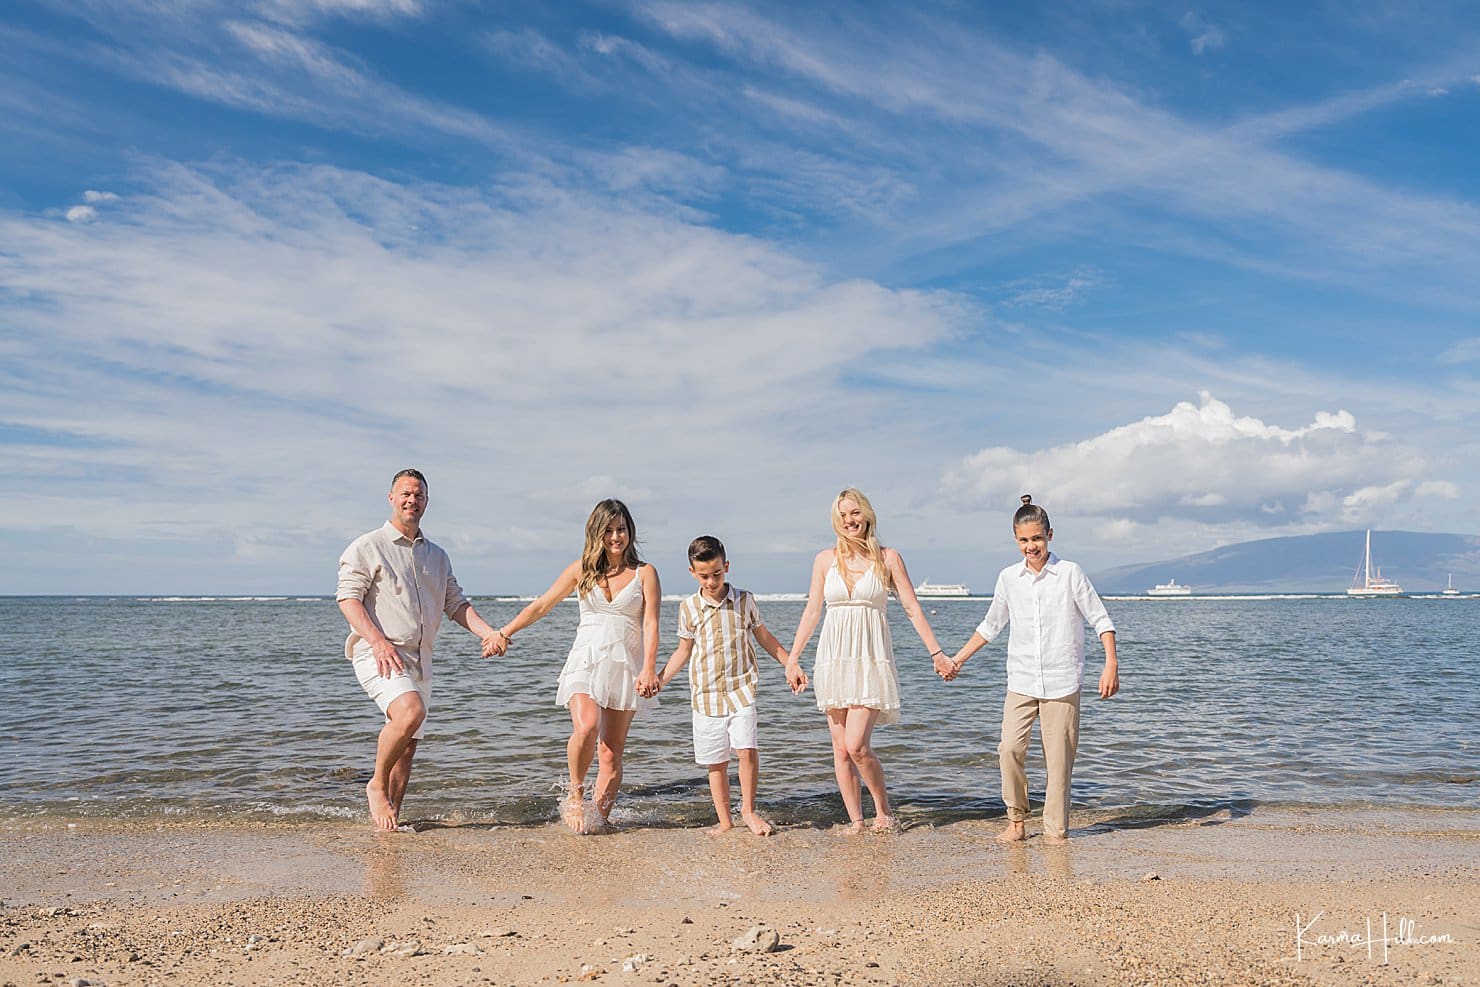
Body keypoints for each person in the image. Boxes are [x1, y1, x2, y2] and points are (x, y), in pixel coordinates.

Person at [943, 494, 1120, 845]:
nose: (1031, 546)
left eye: (1037, 538)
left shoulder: (1070, 573)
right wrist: (957, 660)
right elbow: (990, 626)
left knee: (1058, 765)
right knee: (1008, 749)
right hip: (1021, 680)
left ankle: (1056, 832)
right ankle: (1016, 821)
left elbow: (1101, 619)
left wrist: (1110, 663)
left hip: (1062, 680)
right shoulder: (1009, 578)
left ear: (1050, 535)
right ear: (1015, 540)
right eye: (1024, 540)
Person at [337, 468, 502, 831]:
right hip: (378, 652)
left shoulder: (438, 556)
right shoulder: (367, 546)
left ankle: (392, 818)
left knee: (408, 743)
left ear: (426, 501)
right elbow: (348, 599)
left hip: (420, 659)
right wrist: (377, 642)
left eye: (419, 495)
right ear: (392, 498)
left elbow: (456, 604)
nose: (412, 500)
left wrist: (488, 633)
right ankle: (376, 785)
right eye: (406, 494)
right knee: (409, 712)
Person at [786, 488, 955, 833]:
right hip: (833, 659)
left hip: (869, 659)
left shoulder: (888, 558)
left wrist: (936, 653)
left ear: (867, 515)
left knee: (857, 744)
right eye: (843, 515)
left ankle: (883, 810)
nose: (850, 521)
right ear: (836, 520)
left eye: (855, 513)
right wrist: (793, 659)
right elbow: (813, 611)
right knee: (840, 749)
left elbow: (912, 607)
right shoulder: (823, 560)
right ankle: (857, 822)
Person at [492, 499, 661, 833]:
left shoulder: (646, 573)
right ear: (596, 533)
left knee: (611, 754)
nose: (616, 537)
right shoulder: (581, 570)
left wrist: (650, 668)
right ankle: (575, 794)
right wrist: (504, 632)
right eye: (609, 530)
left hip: (626, 666)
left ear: (630, 531)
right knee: (586, 727)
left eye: (621, 529)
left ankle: (596, 821)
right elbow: (542, 605)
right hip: (585, 659)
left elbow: (652, 624)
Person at [657, 535, 808, 836]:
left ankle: (749, 811)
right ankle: (724, 820)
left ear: (726, 567)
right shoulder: (688, 608)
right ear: (692, 573)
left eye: (717, 574)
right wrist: (660, 679)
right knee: (716, 763)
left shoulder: (744, 600)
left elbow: (764, 637)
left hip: (741, 689)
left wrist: (790, 664)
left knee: (747, 750)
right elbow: (683, 651)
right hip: (705, 696)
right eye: (704, 576)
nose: (711, 581)